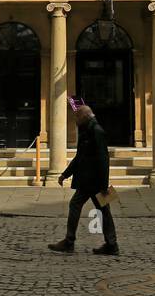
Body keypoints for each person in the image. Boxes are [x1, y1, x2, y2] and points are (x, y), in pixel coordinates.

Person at [49, 102, 119, 256]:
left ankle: (69, 241)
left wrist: (103, 184)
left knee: (77, 205)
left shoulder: (96, 131)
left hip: (93, 181)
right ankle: (111, 244)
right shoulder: (86, 131)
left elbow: (103, 159)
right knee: (103, 210)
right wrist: (65, 174)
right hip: (89, 180)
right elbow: (80, 157)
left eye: (77, 116)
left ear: (84, 116)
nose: (75, 119)